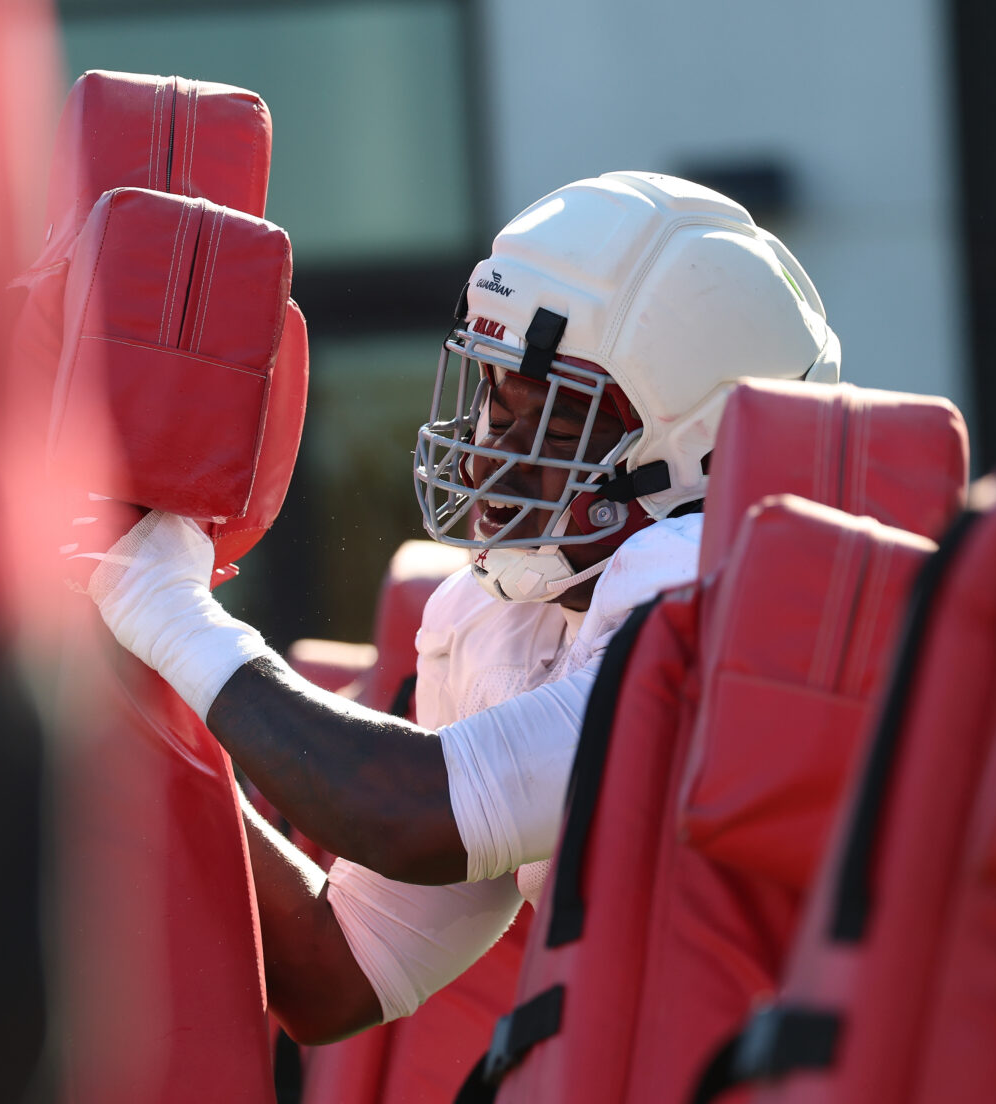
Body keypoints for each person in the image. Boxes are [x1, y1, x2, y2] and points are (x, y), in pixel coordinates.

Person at [78, 171, 841, 1044]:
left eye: (555, 429)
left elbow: (411, 815)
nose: (485, 458)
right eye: (494, 401)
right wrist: (137, 694)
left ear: (701, 457)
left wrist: (175, 614)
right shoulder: (512, 618)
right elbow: (339, 973)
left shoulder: (721, 585)